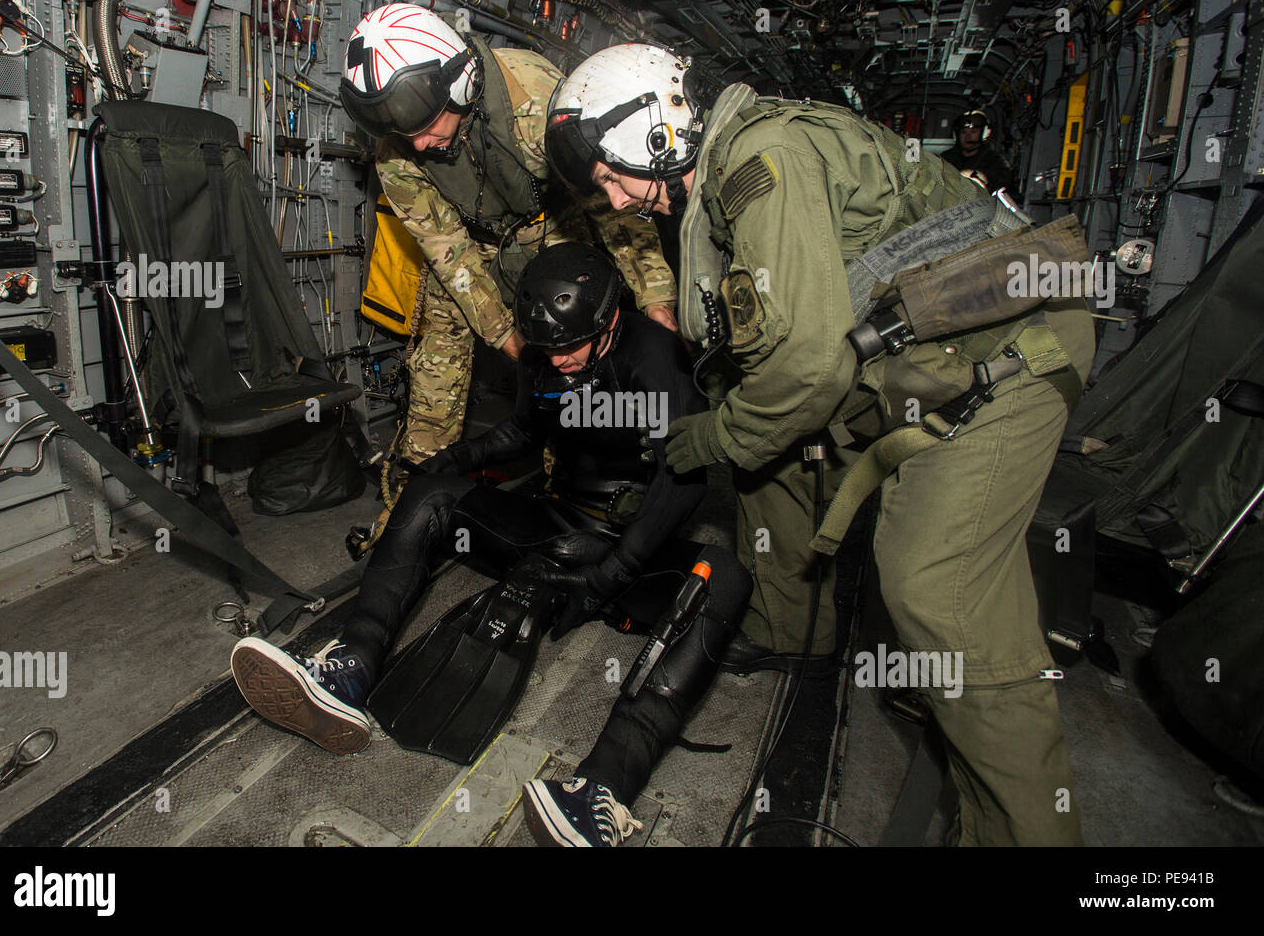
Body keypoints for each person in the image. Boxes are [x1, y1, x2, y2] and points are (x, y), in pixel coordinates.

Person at [545, 44, 1095, 845]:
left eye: (609, 174)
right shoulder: (720, 177)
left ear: (655, 132)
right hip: (923, 351)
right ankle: (788, 629)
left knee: (933, 589)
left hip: (1004, 348)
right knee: (770, 461)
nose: (616, 198)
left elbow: (806, 369)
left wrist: (710, 438)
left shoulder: (761, 163)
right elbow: (772, 340)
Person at [231, 242, 749, 847]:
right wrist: (460, 457)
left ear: (608, 321)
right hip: (556, 527)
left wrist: (618, 569)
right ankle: (349, 668)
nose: (560, 362)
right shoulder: (545, 355)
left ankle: (601, 791)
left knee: (725, 576)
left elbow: (683, 481)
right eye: (548, 351)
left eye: (572, 347)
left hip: (631, 546)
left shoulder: (655, 357)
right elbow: (526, 429)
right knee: (430, 495)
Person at [339, 4, 677, 469]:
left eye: (423, 124)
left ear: (458, 82)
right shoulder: (396, 154)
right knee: (435, 381)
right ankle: (413, 507)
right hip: (468, 245)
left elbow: (610, 196)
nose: (416, 144)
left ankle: (570, 492)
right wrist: (506, 338)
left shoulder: (536, 96)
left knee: (567, 368)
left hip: (550, 225)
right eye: (401, 131)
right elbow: (448, 253)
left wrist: (656, 294)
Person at [941, 109, 1019, 199]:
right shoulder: (946, 159)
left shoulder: (994, 161)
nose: (968, 136)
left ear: (984, 133)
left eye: (973, 132)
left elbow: (1004, 188)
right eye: (964, 132)